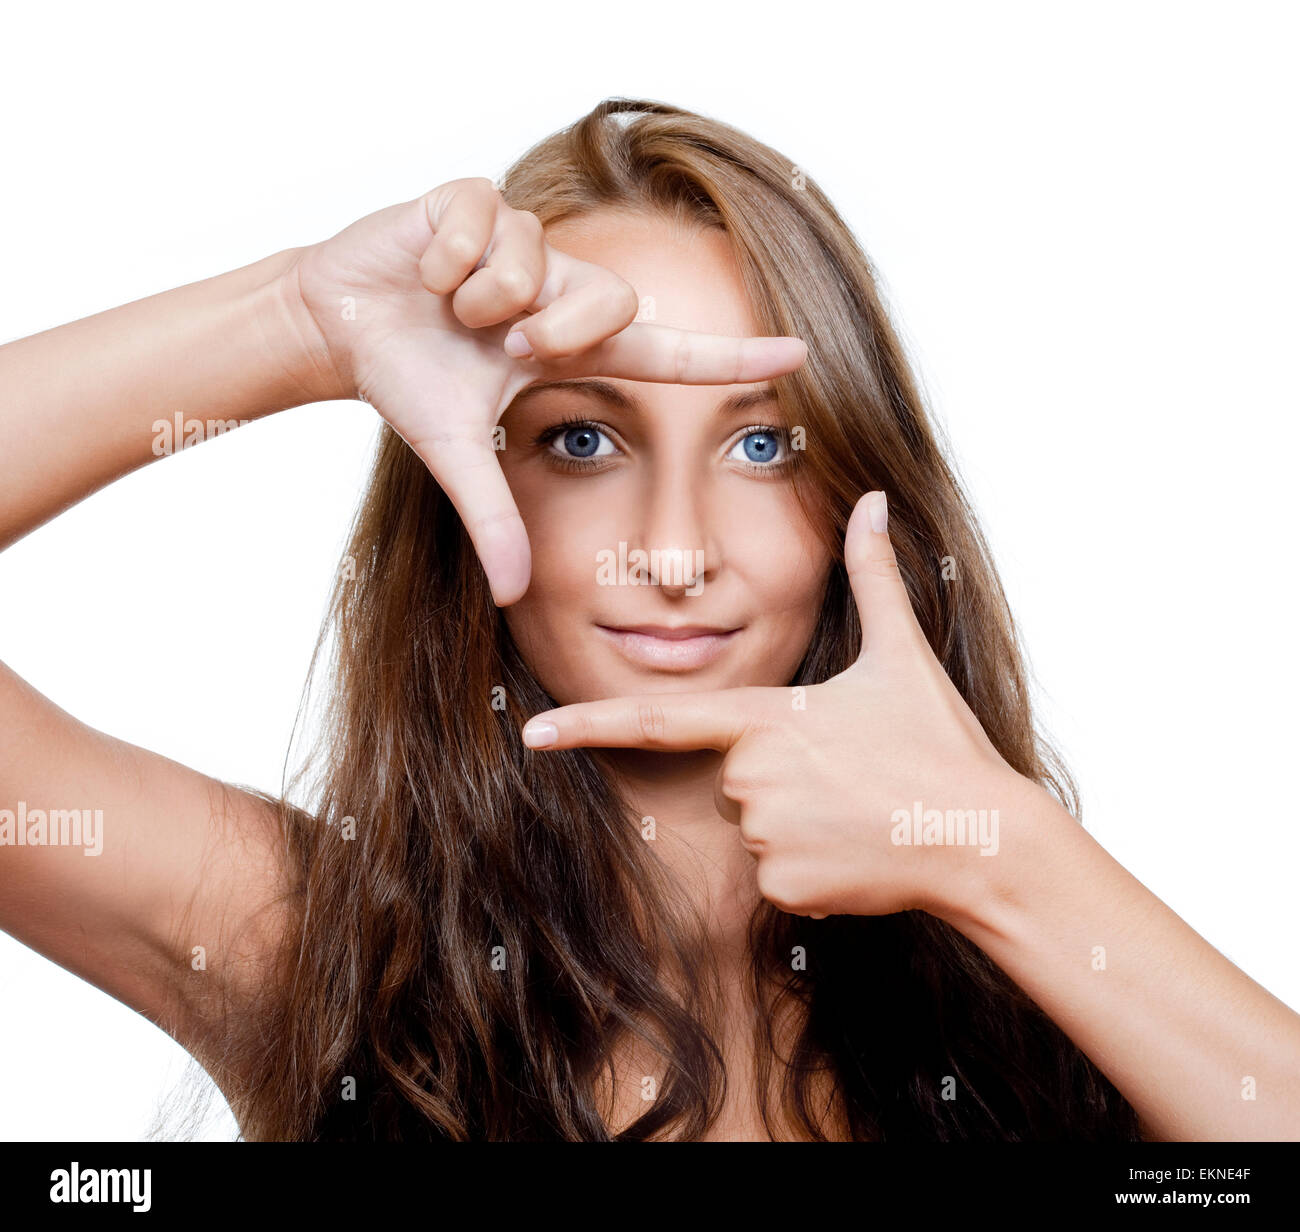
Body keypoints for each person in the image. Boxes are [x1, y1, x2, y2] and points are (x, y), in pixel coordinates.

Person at [2, 97, 1296, 1142]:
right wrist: (296, 322)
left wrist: (999, 858)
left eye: (761, 446)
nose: (673, 551)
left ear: (865, 486)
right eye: (581, 437)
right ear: (471, 483)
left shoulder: (1040, 985)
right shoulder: (314, 951)